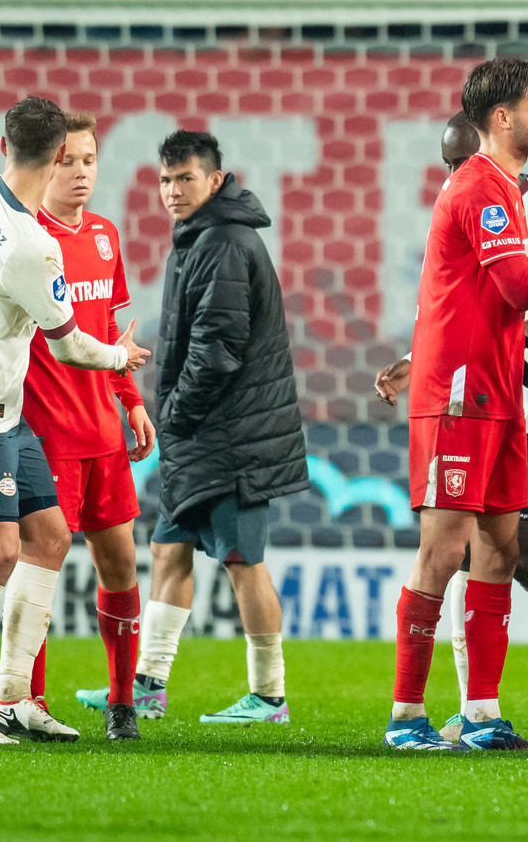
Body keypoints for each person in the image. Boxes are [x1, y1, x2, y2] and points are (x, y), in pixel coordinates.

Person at [385, 57, 528, 752]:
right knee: (443, 550)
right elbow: (516, 284)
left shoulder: (504, 190)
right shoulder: (480, 184)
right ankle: (406, 716)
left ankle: (482, 715)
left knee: (501, 549)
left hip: (499, 391)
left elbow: (514, 294)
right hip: (457, 393)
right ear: (502, 117)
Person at [0, 95, 148, 743]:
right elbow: (71, 346)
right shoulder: (33, 247)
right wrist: (123, 357)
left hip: (0, 405)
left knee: (48, 538)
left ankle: (12, 696)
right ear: (57, 156)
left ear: (4, 146)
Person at [123, 130, 311, 726]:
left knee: (241, 559)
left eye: (185, 178)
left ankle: (270, 696)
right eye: (165, 179)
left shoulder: (224, 241)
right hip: (206, 437)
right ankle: (146, 687)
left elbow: (218, 348)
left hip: (231, 436)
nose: (172, 190)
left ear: (214, 180)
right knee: (167, 547)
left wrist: (174, 414)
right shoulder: (201, 237)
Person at [10, 111, 154, 742]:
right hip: (47, 436)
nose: (80, 173)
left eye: (89, 161)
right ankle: (27, 698)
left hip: (104, 435)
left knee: (120, 565)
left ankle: (122, 703)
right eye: (67, 161)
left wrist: (131, 401)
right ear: (47, 164)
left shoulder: (104, 235)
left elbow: (110, 333)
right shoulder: (24, 240)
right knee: (41, 569)